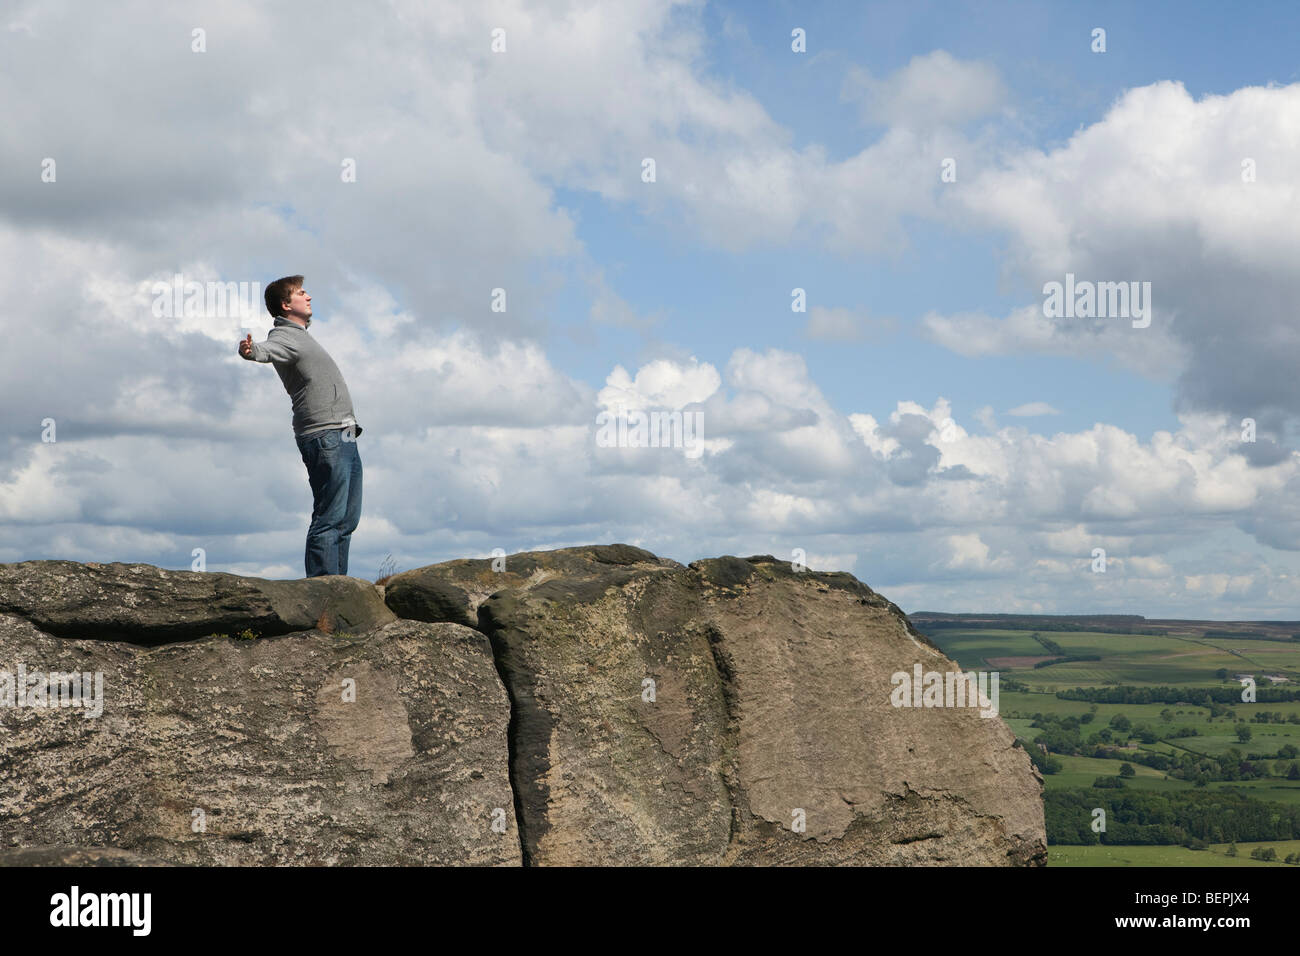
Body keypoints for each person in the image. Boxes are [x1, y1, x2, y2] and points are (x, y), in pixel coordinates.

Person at [239, 275, 363, 577]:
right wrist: (251, 352)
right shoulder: (286, 336)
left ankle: (340, 591)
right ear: (285, 304)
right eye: (301, 293)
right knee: (329, 517)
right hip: (324, 434)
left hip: (344, 433)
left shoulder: (303, 336)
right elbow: (266, 350)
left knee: (347, 521)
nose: (308, 296)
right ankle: (322, 592)